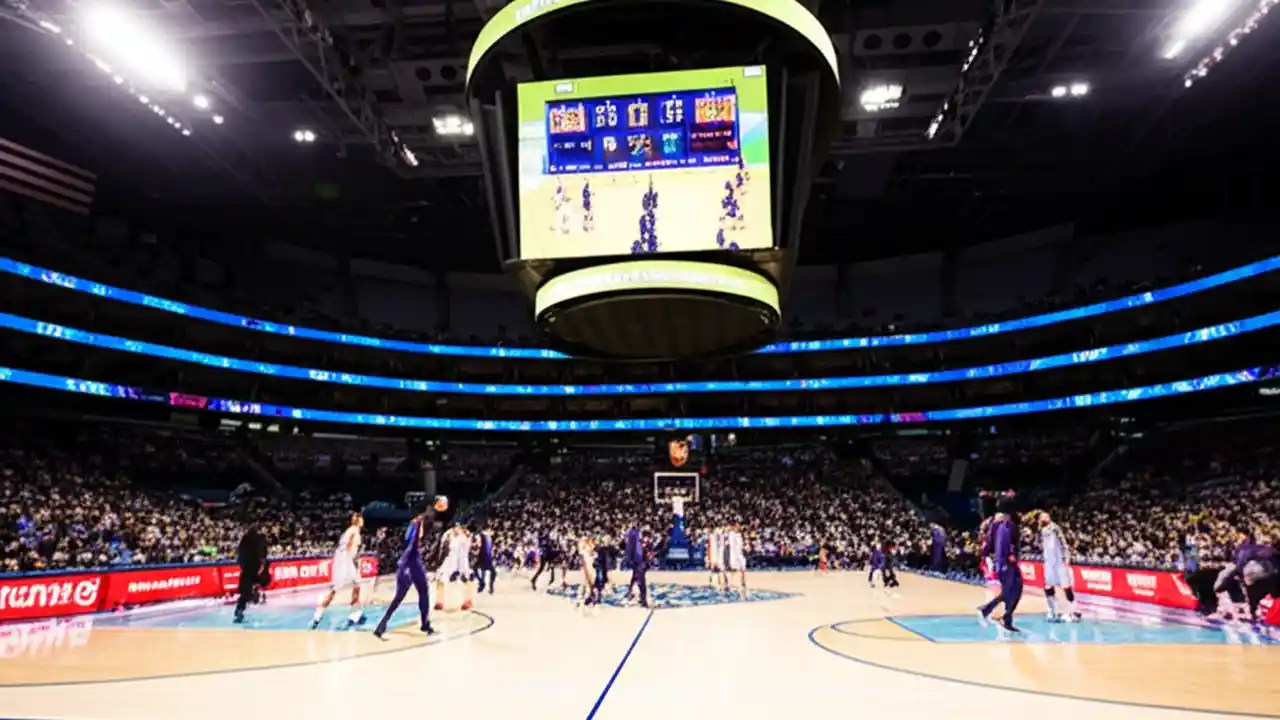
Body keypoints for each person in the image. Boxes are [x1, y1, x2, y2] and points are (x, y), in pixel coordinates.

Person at [373, 503, 438, 639]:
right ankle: (425, 624)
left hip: (405, 565)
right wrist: (428, 512)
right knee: (424, 592)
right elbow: (413, 543)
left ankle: (382, 625)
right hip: (412, 564)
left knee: (398, 598)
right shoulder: (417, 527)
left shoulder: (411, 525)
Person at [311, 513, 366, 629]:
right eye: (361, 520)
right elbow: (350, 546)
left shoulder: (350, 530)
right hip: (344, 560)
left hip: (342, 559)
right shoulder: (354, 530)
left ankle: (318, 616)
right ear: (358, 521)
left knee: (352, 587)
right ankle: (353, 616)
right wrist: (352, 560)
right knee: (346, 588)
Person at [978, 511, 1023, 633]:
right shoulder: (1004, 526)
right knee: (1012, 592)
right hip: (1006, 564)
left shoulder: (996, 527)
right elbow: (1006, 544)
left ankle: (987, 609)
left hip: (1004, 564)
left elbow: (988, 545)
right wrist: (1011, 554)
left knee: (1010, 591)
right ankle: (1006, 619)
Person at [1039, 511, 1081, 623]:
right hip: (1049, 563)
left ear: (1049, 518)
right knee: (1048, 586)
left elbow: (1064, 543)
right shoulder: (1042, 530)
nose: (1043, 518)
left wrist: (1066, 558)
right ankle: (1052, 611)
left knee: (1066, 586)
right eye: (1041, 517)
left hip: (1059, 562)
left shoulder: (1055, 528)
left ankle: (1073, 611)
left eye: (1045, 516)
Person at [234, 523, 269, 624]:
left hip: (248, 568)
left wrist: (242, 566)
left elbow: (240, 554)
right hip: (253, 567)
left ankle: (242, 606)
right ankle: (244, 605)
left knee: (247, 589)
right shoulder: (259, 539)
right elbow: (263, 555)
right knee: (249, 588)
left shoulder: (246, 539)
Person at [434, 524, 474, 611]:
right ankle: (439, 602)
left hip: (462, 559)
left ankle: (468, 600)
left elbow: (467, 549)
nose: (457, 529)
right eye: (456, 527)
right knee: (440, 578)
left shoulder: (465, 535)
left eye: (459, 527)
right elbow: (442, 549)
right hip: (449, 559)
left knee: (466, 578)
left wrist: (466, 536)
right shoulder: (447, 534)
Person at [625, 525, 650, 608]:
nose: (646, 540)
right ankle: (638, 598)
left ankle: (641, 599)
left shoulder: (646, 545)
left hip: (641, 565)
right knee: (638, 582)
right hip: (638, 565)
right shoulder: (638, 543)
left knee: (639, 583)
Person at [725, 523, 749, 598]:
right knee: (733, 570)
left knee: (743, 569)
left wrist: (746, 546)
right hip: (734, 555)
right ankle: (730, 582)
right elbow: (726, 531)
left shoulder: (740, 535)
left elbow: (743, 544)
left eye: (738, 526)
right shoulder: (731, 534)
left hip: (740, 554)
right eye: (736, 526)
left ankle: (743, 583)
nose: (737, 528)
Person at [474, 526, 497, 595]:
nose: (492, 532)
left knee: (492, 572)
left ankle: (486, 584)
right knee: (478, 569)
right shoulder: (484, 537)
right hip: (483, 557)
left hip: (487, 558)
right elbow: (480, 537)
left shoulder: (490, 539)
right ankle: (484, 584)